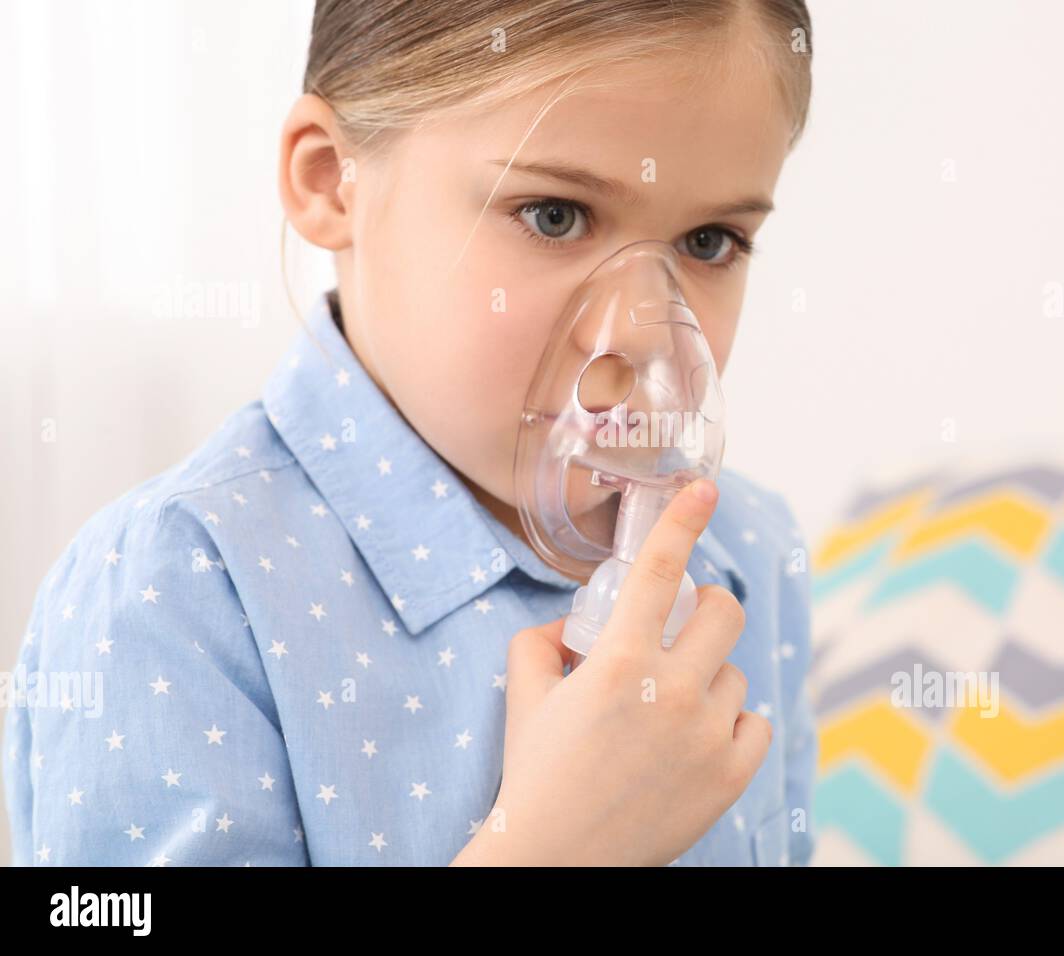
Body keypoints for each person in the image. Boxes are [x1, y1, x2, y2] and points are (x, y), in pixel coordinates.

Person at [3, 0, 817, 866]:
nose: (646, 334)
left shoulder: (748, 559)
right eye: (555, 216)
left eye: (710, 239)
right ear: (329, 180)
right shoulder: (180, 595)